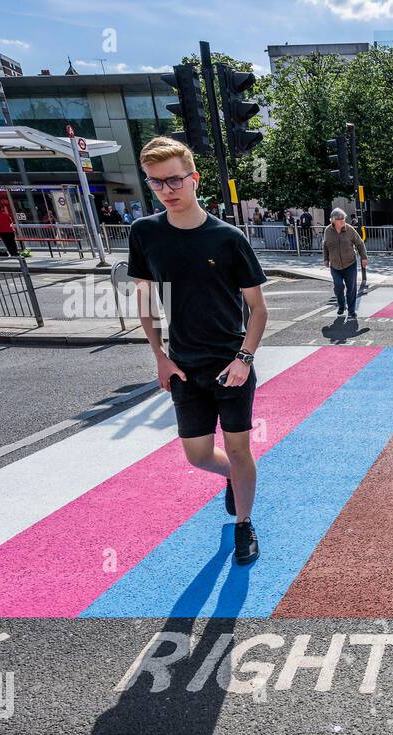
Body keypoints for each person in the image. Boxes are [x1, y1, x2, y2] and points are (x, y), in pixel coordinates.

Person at [128, 136, 269, 565]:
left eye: (174, 179)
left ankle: (244, 525)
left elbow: (258, 309)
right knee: (198, 455)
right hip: (183, 367)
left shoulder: (227, 238)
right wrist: (160, 356)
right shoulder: (145, 233)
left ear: (194, 178)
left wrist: (244, 359)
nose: (167, 189)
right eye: (156, 183)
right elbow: (145, 299)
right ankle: (232, 476)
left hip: (231, 365)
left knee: (240, 447)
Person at [322, 207, 367, 320]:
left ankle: (351, 310)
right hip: (335, 265)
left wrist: (364, 257)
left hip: (350, 264)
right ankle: (341, 305)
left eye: (344, 219)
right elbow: (325, 245)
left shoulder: (350, 230)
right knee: (338, 286)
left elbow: (360, 243)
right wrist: (326, 259)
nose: (343, 221)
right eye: (340, 219)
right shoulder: (328, 230)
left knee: (351, 288)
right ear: (333, 220)